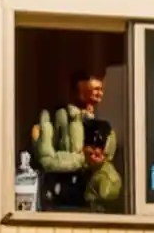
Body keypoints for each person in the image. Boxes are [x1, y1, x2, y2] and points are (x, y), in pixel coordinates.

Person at [29, 70, 119, 212]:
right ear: (82, 88)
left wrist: (98, 162)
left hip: (89, 201)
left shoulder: (103, 127)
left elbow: (106, 161)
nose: (100, 94)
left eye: (101, 90)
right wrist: (82, 159)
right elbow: (47, 160)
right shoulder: (58, 118)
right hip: (58, 197)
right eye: (96, 89)